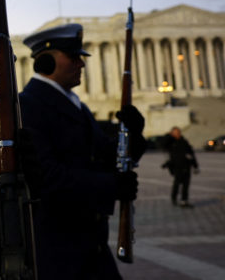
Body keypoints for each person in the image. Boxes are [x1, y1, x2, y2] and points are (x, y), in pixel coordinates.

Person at [18, 23, 146, 280]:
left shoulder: (76, 105)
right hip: (57, 251)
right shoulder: (26, 105)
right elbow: (46, 176)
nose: (82, 64)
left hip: (90, 247)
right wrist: (112, 185)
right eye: (74, 57)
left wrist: (134, 134)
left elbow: (107, 157)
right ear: (46, 63)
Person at [162, 126, 199, 208]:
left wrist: (195, 166)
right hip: (176, 166)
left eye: (179, 132)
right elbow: (163, 144)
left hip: (186, 166)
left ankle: (184, 201)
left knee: (186, 184)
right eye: (176, 133)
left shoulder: (184, 141)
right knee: (177, 183)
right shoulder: (171, 141)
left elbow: (191, 153)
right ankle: (174, 198)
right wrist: (170, 135)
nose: (178, 134)